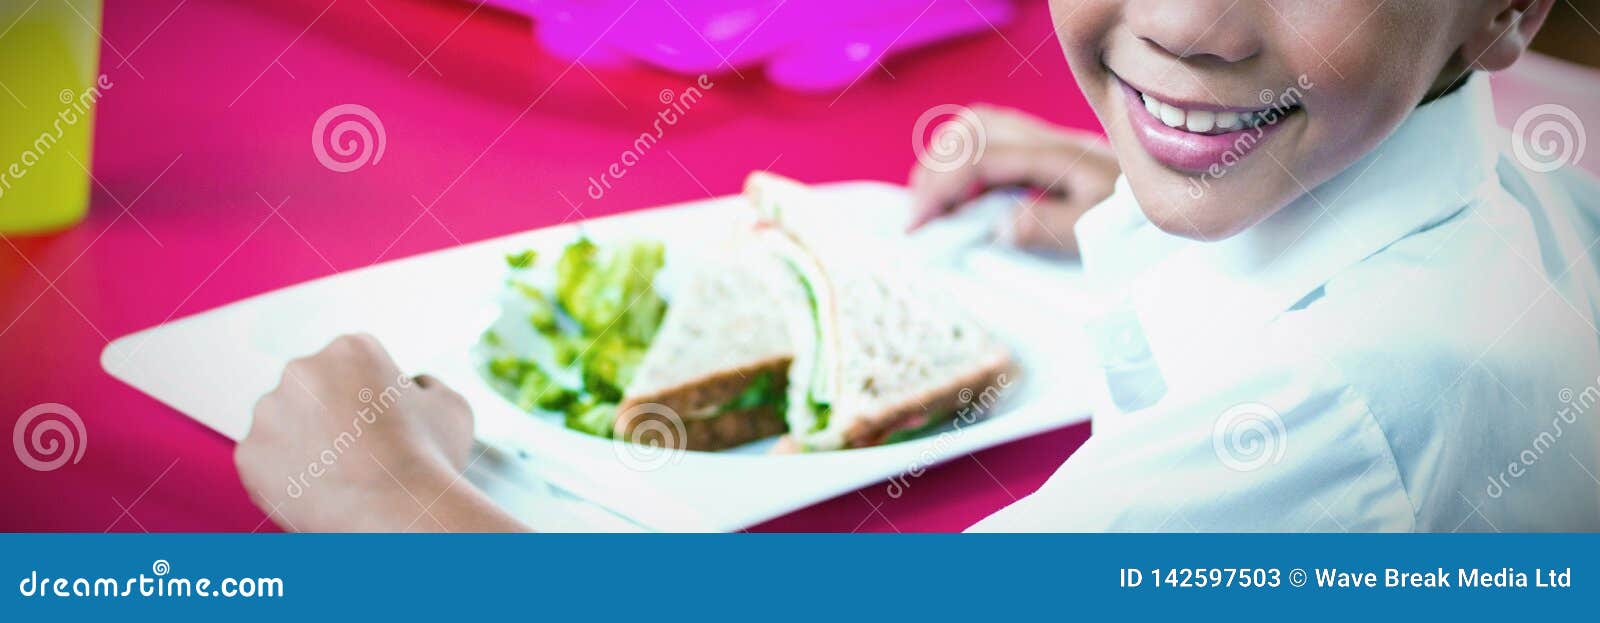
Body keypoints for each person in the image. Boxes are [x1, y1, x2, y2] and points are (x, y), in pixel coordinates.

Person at [236, 0, 1600, 531]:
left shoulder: (1332, 411)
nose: (1185, 21)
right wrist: (1182, 193)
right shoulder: (1531, 213)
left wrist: (389, 504)